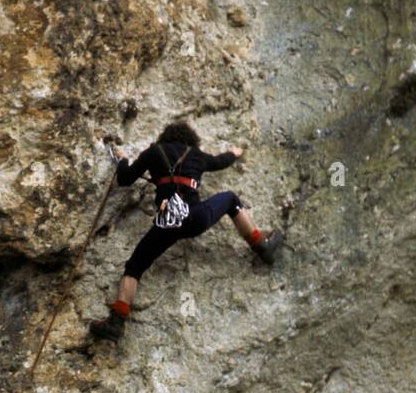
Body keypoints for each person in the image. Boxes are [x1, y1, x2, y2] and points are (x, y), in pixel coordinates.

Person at [90, 118, 285, 342]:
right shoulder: (197, 155)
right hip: (196, 218)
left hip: (167, 225)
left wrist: (123, 160)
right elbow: (220, 162)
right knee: (230, 198)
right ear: (191, 140)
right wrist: (234, 152)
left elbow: (124, 179)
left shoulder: (155, 152)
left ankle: (117, 321)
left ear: (165, 137)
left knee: (134, 267)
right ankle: (261, 244)